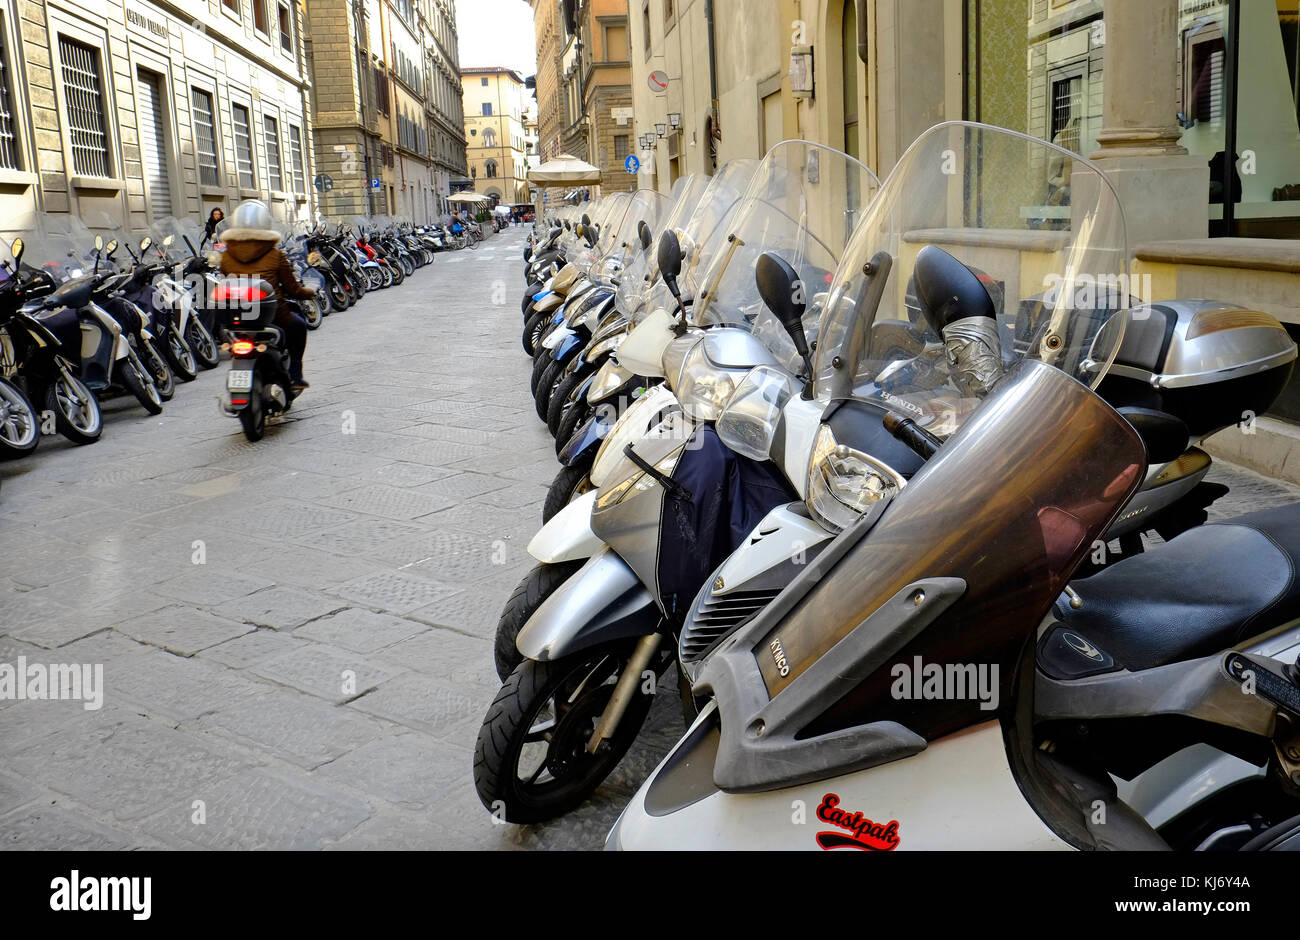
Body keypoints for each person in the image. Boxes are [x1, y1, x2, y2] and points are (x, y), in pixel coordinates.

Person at [218, 200, 315, 391]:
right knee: (299, 327)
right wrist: (310, 292)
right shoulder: (275, 255)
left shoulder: (227, 256)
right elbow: (292, 289)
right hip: (273, 315)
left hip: (238, 317)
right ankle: (296, 376)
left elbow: (224, 282)